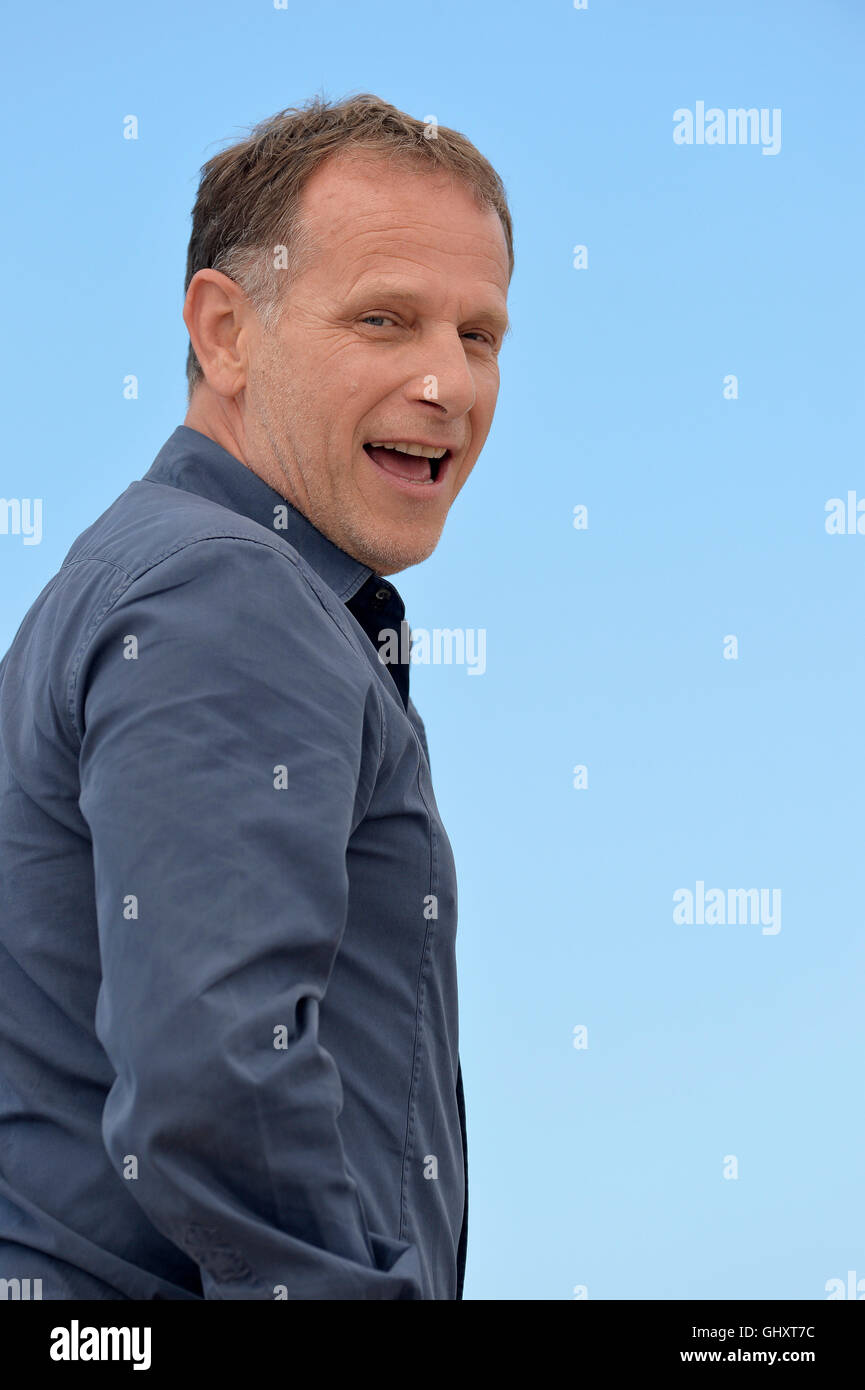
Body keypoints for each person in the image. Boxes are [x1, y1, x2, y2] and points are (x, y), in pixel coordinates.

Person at [0, 93, 513, 1300]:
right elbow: (215, 1077)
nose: (447, 382)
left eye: (480, 335)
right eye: (384, 319)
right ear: (225, 332)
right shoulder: (226, 590)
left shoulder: (144, 577)